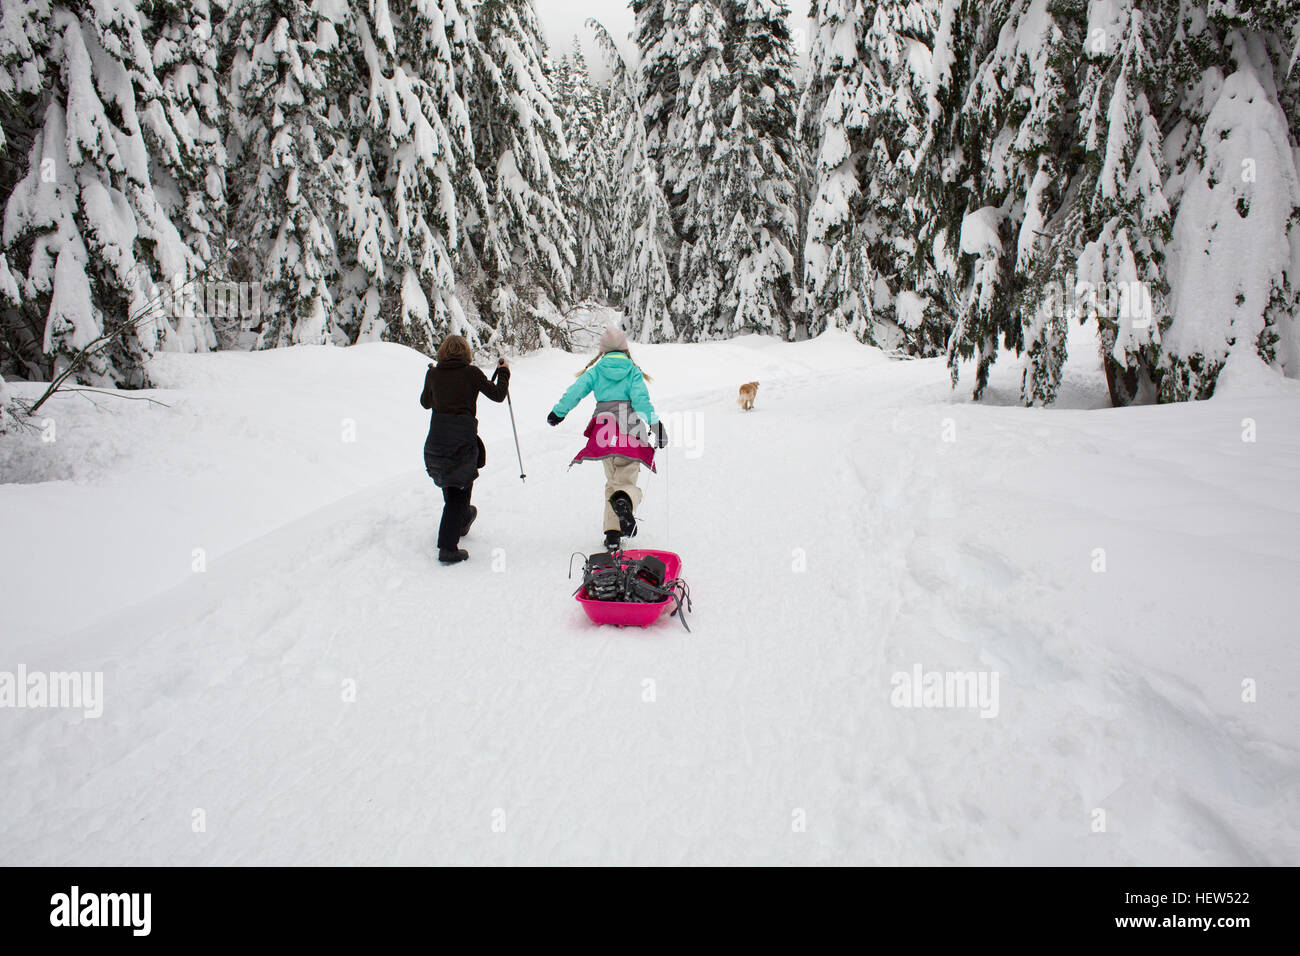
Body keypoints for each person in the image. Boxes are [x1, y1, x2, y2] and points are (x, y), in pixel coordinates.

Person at [548, 325, 668, 550]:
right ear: (624, 349)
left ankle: (612, 534)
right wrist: (655, 425)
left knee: (613, 481)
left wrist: (558, 412)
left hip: (604, 432)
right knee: (627, 483)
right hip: (630, 431)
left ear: (603, 350)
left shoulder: (596, 370)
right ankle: (625, 502)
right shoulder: (632, 370)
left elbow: (575, 391)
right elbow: (641, 401)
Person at [420, 335, 510, 564]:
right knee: (457, 489)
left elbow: (425, 403)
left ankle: (461, 520)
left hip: (437, 439)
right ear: (465, 353)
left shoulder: (434, 373)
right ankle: (448, 548)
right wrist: (504, 373)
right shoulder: (471, 373)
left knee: (455, 482)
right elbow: (498, 395)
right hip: (461, 440)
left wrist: (431, 379)